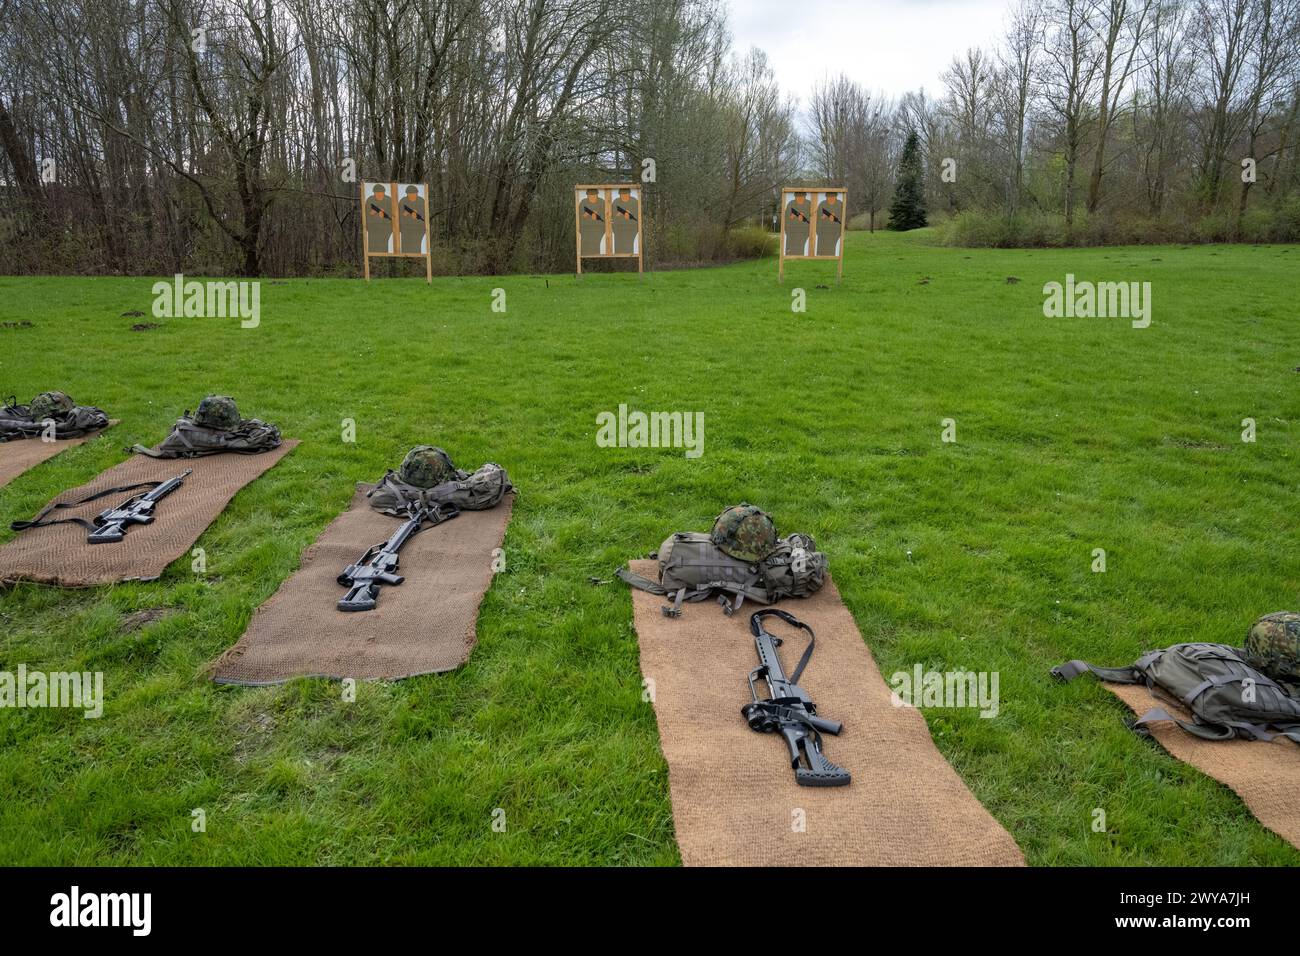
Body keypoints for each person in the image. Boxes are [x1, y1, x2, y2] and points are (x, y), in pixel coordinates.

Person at [398, 184, 426, 254]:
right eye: (410, 194)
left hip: (418, 229)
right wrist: (404, 214)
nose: (412, 196)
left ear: (417, 194)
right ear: (407, 194)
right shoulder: (402, 201)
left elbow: (425, 217)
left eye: (414, 194)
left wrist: (417, 218)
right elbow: (397, 215)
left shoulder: (422, 201)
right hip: (405, 230)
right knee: (405, 249)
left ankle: (416, 261)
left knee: (416, 248)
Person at [366, 184, 394, 254]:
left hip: (386, 229)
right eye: (377, 193)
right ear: (374, 193)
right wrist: (371, 214)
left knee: (384, 249)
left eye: (381, 193)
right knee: (372, 249)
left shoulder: (389, 201)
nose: (379, 195)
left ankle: (384, 261)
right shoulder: (370, 200)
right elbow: (365, 215)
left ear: (384, 193)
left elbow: (394, 215)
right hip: (373, 229)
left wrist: (384, 216)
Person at [578, 188, 606, 256]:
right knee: (585, 248)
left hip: (598, 229)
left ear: (597, 195)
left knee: (596, 246)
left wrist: (598, 216)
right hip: (586, 229)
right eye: (590, 195)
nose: (592, 197)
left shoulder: (602, 202)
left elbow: (607, 215)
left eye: (594, 195)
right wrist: (584, 215)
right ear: (587, 196)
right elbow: (579, 216)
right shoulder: (583, 202)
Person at [611, 187, 639, 254]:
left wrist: (630, 216)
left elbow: (638, 217)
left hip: (631, 230)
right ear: (620, 195)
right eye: (622, 194)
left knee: (629, 248)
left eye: (626, 194)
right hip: (619, 230)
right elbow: (611, 217)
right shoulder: (616, 202)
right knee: (618, 248)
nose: (624, 196)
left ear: (629, 194)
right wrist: (618, 215)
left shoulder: (634, 202)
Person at [815, 191, 843, 256]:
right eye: (829, 197)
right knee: (821, 250)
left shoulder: (840, 204)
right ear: (826, 197)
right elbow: (816, 218)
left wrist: (835, 218)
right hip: (822, 232)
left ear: (836, 197)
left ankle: (831, 257)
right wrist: (822, 217)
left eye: (832, 197)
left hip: (835, 232)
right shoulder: (822, 204)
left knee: (831, 249)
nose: (831, 199)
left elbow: (843, 217)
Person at [784, 191, 811, 256]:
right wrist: (791, 217)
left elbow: (814, 216)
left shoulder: (809, 204)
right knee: (790, 248)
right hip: (791, 230)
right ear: (795, 197)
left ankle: (799, 258)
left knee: (799, 248)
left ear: (805, 196)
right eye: (798, 197)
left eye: (802, 197)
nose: (800, 198)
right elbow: (785, 217)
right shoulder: (791, 204)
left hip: (804, 231)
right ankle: (789, 258)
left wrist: (805, 218)